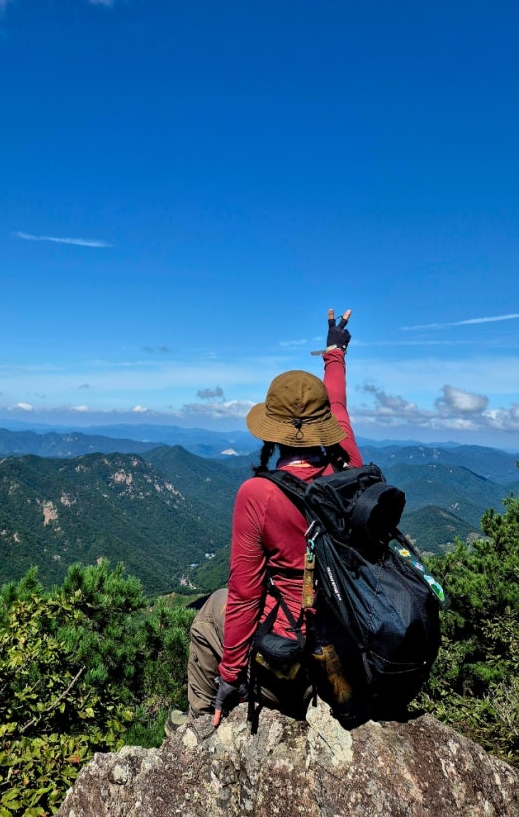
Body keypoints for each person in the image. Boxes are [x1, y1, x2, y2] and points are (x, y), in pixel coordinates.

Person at [177, 308, 363, 732]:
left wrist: (229, 677)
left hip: (295, 651)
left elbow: (245, 597)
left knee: (211, 614)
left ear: (272, 431)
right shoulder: (348, 463)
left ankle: (204, 721)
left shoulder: (258, 494)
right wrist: (335, 350)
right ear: (323, 428)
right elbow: (337, 402)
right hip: (347, 640)